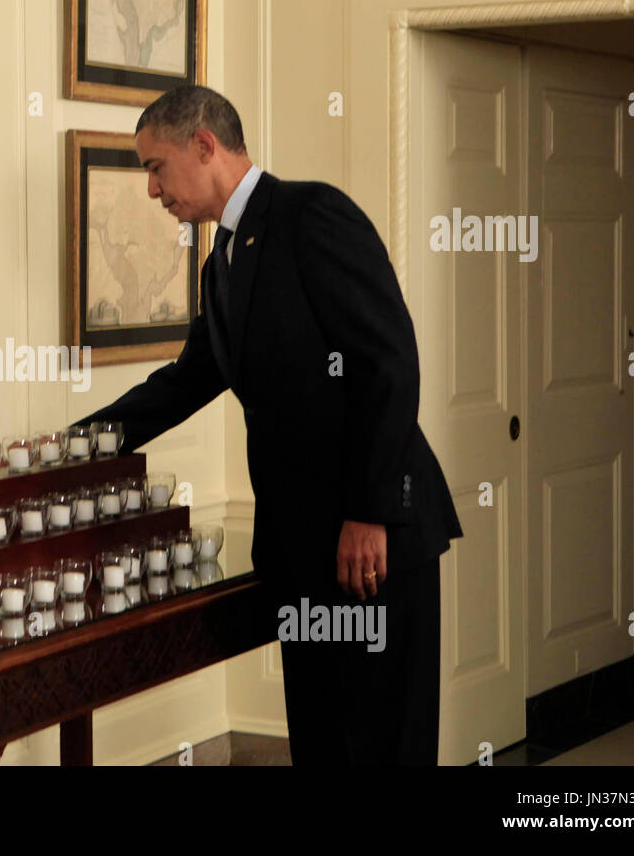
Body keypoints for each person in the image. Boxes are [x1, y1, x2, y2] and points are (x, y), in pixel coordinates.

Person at [71, 85, 463, 765]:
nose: (153, 192)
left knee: (382, 746)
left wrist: (368, 512)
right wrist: (74, 445)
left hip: (372, 540)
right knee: (323, 743)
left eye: (155, 169)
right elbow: (188, 380)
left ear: (204, 146)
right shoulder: (220, 262)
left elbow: (389, 363)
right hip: (301, 550)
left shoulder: (312, 215)